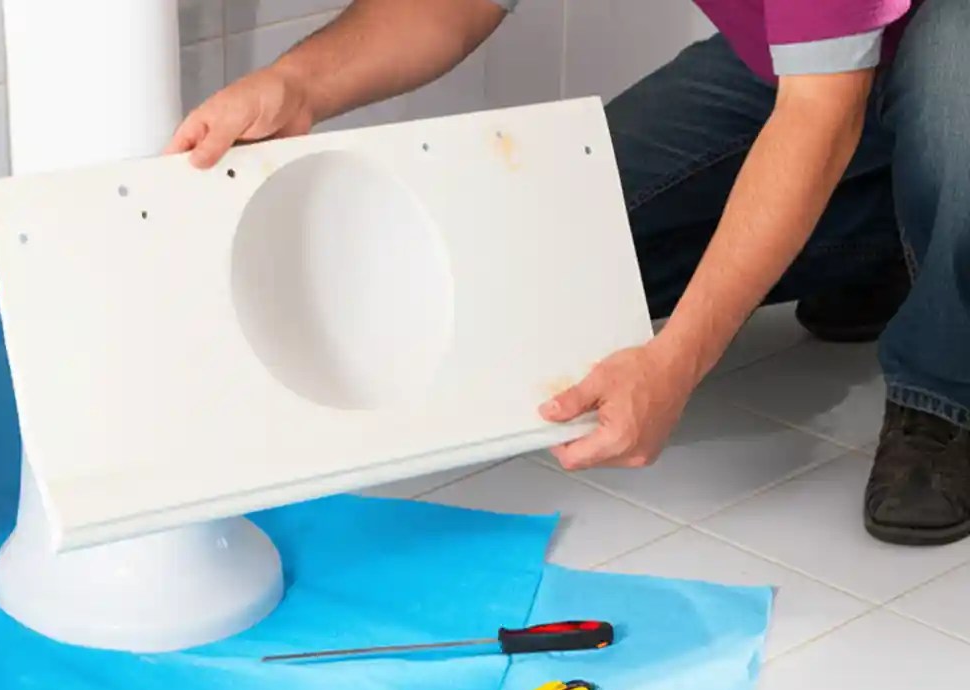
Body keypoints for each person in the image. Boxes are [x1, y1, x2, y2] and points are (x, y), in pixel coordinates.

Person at [166, 0, 970, 546]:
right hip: (817, 64)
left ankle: (946, 389)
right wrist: (293, 84)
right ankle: (894, 243)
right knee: (580, 233)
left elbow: (821, 113)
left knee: (955, 88)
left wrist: (677, 359)